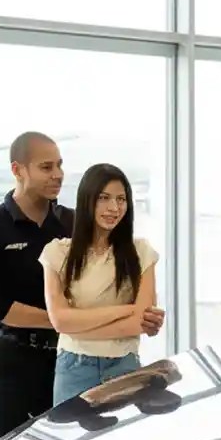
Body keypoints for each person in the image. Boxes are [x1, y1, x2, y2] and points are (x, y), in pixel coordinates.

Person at [0, 132, 164, 440]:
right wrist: (71, 320)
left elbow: (125, 298)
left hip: (67, 356)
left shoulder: (74, 225)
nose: (57, 174)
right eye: (46, 167)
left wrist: (77, 322)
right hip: (12, 362)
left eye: (59, 165)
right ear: (18, 170)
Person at [40, 163, 164, 405]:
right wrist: (127, 310)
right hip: (74, 367)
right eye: (104, 198)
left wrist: (77, 325)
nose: (114, 208)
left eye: (121, 199)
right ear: (87, 200)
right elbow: (60, 321)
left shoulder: (141, 252)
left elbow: (140, 322)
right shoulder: (57, 253)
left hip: (124, 367)